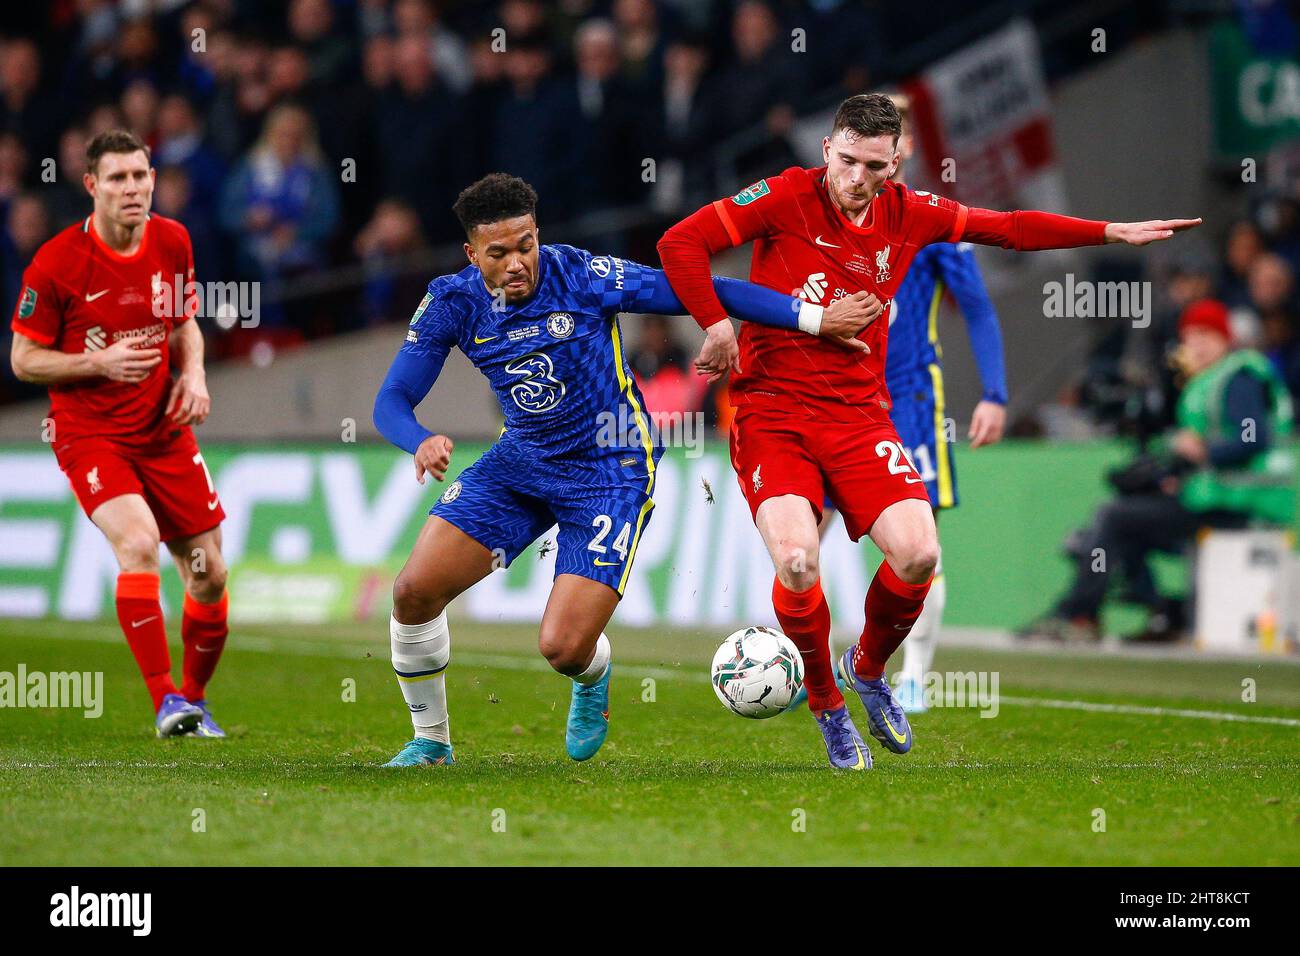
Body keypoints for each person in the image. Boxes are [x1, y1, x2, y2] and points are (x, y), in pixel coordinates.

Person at [657, 92, 1201, 770]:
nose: (856, 178)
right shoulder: (783, 196)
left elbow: (1008, 227)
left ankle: (868, 669)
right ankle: (828, 705)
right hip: (774, 411)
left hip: (859, 414)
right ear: (827, 150)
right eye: (847, 160)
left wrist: (1109, 232)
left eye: (873, 167)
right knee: (798, 561)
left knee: (918, 555)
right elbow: (680, 242)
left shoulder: (911, 213)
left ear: (894, 165)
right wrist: (713, 323)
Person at [371, 173, 880, 768]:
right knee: (411, 594)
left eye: (526, 244)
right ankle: (432, 743)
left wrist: (815, 318)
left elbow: (704, 287)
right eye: (499, 252)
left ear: (539, 235)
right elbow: (391, 402)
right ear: (471, 254)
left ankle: (594, 673)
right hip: (522, 462)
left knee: (562, 648)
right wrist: (420, 438)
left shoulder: (581, 276)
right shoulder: (453, 301)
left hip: (609, 470)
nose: (518, 263)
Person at [8, 130, 230, 738]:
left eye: (140, 175)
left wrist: (196, 374)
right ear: (91, 187)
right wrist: (95, 363)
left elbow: (184, 321)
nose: (132, 188)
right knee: (136, 544)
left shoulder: (173, 239)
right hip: (92, 435)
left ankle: (194, 700)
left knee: (208, 574)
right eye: (117, 178)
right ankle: (164, 702)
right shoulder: (56, 263)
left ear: (153, 178)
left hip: (165, 430)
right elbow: (24, 360)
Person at [813, 92, 1009, 714]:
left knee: (921, 543)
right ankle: (805, 667)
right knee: (802, 531)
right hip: (832, 399)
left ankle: (916, 674)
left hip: (911, 402)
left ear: (905, 147)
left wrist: (996, 394)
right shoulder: (819, 210)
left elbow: (975, 305)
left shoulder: (930, 219)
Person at [1019, 299, 1295, 643]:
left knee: (1114, 518)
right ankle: (1164, 613)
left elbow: (1252, 439)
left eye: (1206, 335)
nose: (1195, 344)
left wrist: (1202, 451)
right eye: (1190, 336)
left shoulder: (1238, 377)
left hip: (1241, 505)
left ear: (1226, 338)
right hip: (1219, 499)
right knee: (1123, 524)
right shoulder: (1210, 379)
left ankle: (1078, 615)